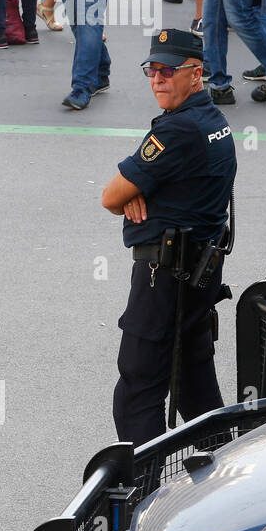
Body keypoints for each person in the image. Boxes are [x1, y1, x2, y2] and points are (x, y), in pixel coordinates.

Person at [100, 28, 236, 446]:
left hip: (165, 277)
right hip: (200, 273)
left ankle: (144, 497)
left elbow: (109, 196)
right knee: (196, 385)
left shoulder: (176, 132)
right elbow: (128, 192)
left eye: (168, 70)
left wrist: (134, 194)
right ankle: (224, 478)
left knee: (138, 390)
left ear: (195, 74)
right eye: (151, 70)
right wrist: (136, 193)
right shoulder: (213, 120)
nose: (157, 78)